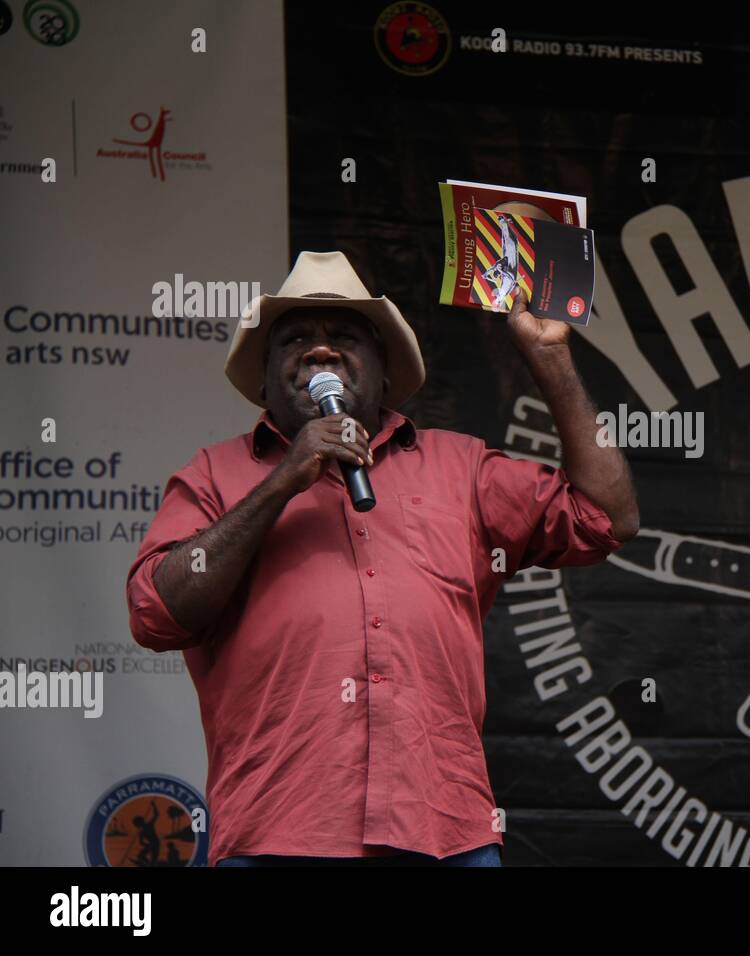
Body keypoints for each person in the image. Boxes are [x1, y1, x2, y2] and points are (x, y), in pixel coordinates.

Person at [126, 250, 639, 867]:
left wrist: (552, 359)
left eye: (345, 336)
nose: (321, 352)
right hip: (276, 834)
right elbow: (156, 612)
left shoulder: (462, 468)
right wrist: (284, 480)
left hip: (444, 833)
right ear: (263, 383)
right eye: (295, 340)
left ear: (385, 373)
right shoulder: (214, 475)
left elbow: (606, 517)